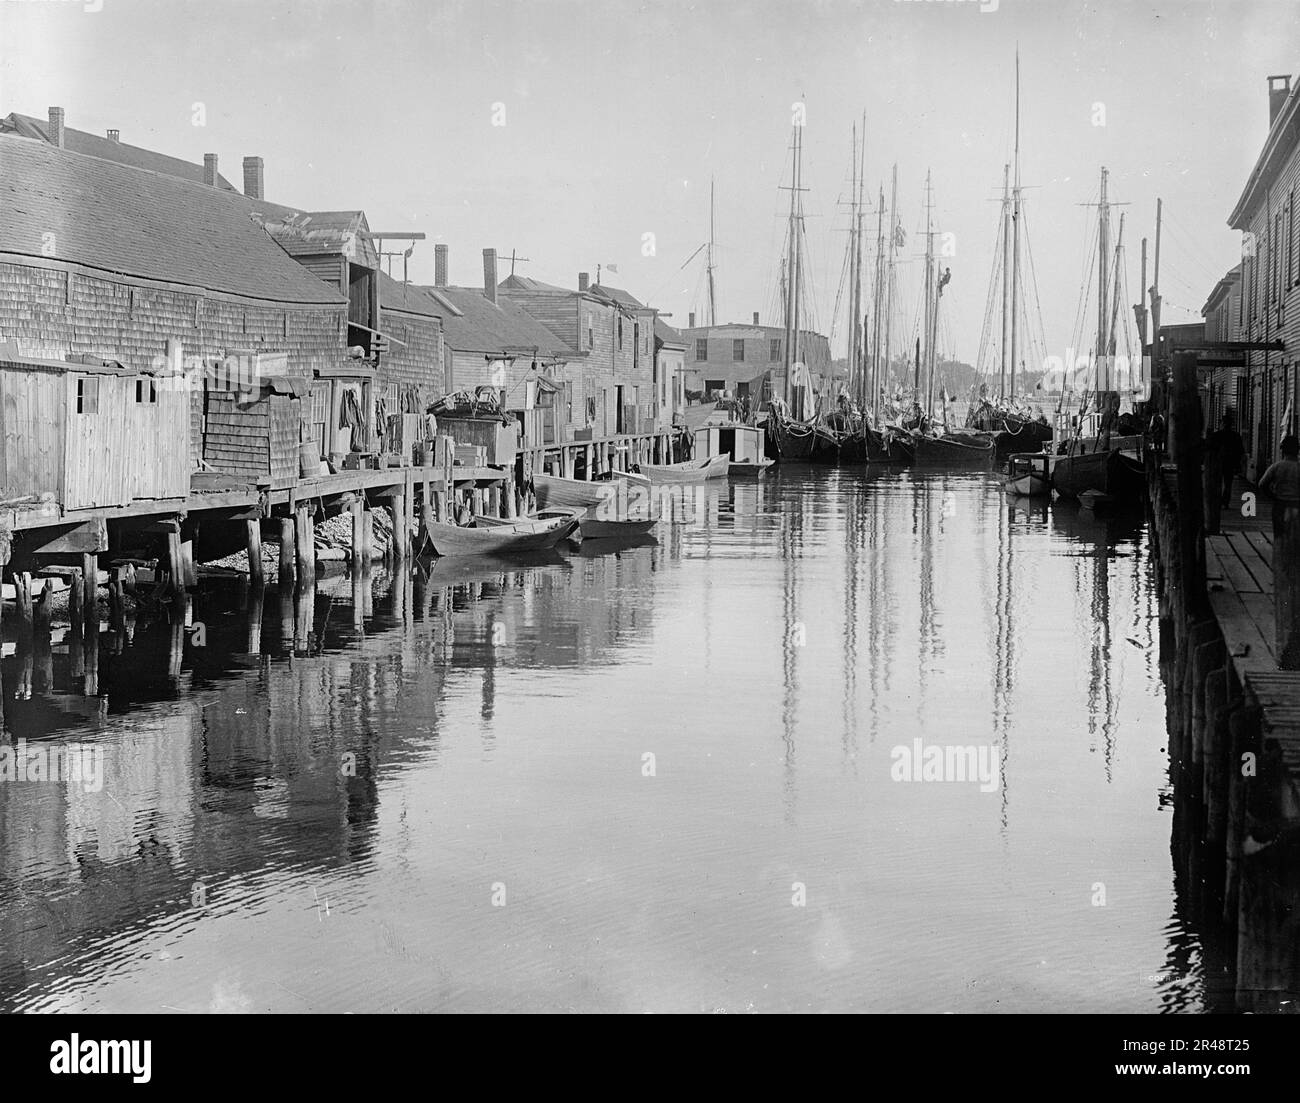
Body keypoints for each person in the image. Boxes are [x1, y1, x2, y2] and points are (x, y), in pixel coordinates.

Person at [1259, 435, 1300, 537]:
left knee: (1279, 534)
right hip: (1296, 505)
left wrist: (1272, 496)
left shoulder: (1276, 467)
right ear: (1297, 450)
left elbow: (1262, 484)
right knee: (1295, 535)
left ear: (1283, 450)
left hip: (1280, 504)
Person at [1205, 412, 1247, 508]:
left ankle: (1218, 500)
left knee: (1217, 483)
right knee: (1228, 484)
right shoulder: (1235, 436)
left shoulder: (1216, 436)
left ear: (1222, 424)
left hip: (1218, 462)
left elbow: (1209, 449)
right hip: (1230, 463)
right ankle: (1225, 501)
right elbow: (1240, 451)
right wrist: (1238, 464)